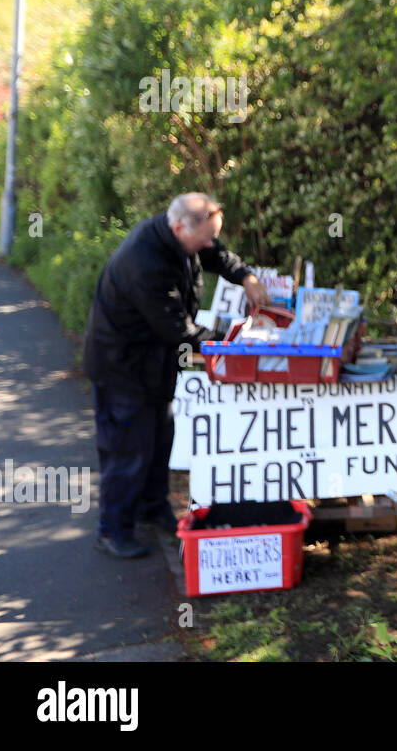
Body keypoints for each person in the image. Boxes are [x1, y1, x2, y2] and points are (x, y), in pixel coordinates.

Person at [84, 193, 270, 558]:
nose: (207, 244)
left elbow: (214, 253)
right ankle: (113, 530)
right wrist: (236, 341)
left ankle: (152, 509)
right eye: (203, 237)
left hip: (154, 364)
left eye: (210, 236)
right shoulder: (145, 262)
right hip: (122, 366)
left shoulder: (181, 235)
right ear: (180, 227)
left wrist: (246, 276)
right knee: (127, 450)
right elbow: (179, 331)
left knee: (158, 441)